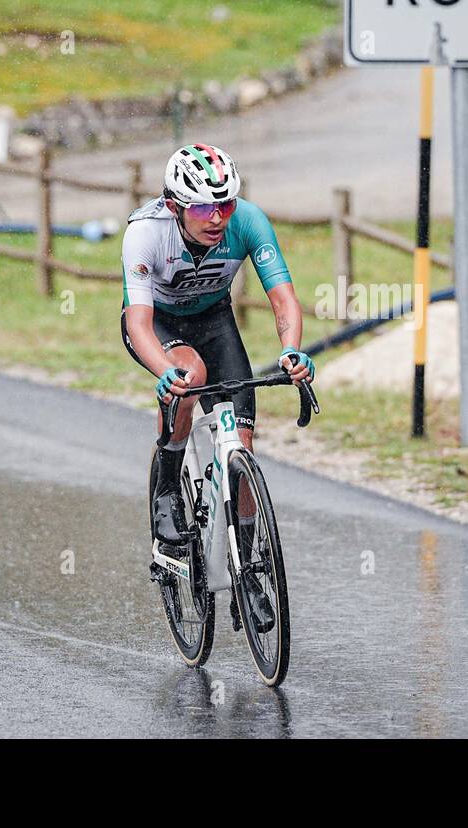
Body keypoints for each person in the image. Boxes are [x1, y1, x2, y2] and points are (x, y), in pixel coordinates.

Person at [120, 143, 313, 622]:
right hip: (159, 326)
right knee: (192, 377)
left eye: (225, 205)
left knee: (240, 445)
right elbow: (138, 322)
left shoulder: (248, 221)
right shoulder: (145, 233)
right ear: (175, 206)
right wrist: (166, 374)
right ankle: (168, 488)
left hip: (215, 321)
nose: (218, 218)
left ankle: (246, 572)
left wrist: (290, 349)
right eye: (205, 207)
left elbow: (283, 300)